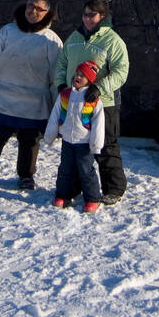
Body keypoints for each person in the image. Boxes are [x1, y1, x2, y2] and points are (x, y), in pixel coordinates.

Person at [0, 0, 63, 192]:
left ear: (47, 13)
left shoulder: (51, 40)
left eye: (39, 8)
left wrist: (56, 106)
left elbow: (57, 75)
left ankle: (26, 176)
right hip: (4, 97)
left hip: (34, 102)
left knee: (29, 142)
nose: (34, 11)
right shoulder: (7, 32)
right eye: (31, 6)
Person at [52, 0, 129, 203]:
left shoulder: (112, 40)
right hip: (75, 101)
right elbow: (62, 63)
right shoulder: (74, 38)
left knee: (105, 146)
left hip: (103, 103)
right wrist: (61, 84)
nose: (87, 19)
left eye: (92, 15)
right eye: (85, 15)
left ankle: (113, 189)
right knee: (77, 145)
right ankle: (75, 187)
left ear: (102, 16)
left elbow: (121, 72)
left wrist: (99, 87)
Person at [43, 59, 104, 212]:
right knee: (65, 169)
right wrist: (50, 135)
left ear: (89, 80)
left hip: (84, 142)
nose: (77, 77)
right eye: (77, 74)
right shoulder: (65, 94)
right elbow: (55, 115)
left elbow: (98, 123)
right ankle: (63, 194)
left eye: (82, 75)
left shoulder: (93, 99)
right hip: (67, 141)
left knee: (86, 171)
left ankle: (92, 198)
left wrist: (96, 144)